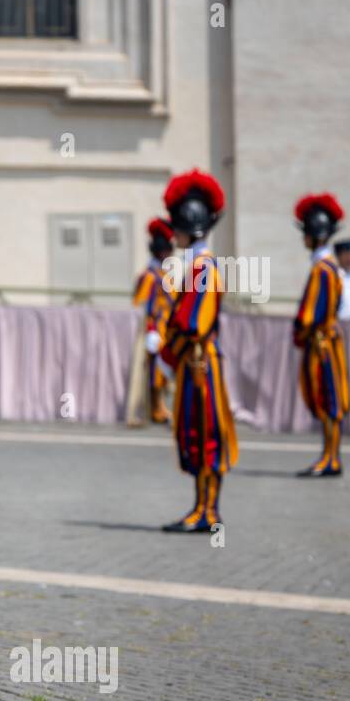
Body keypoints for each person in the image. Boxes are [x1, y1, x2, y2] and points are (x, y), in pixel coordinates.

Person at [157, 169, 239, 532]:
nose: (171, 233)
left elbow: (193, 324)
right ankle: (202, 507)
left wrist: (168, 342)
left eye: (176, 226)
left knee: (205, 435)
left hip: (201, 366)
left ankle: (208, 511)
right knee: (194, 434)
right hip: (195, 365)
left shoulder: (203, 269)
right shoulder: (197, 266)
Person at [293, 194, 350, 477]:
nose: (303, 239)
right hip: (326, 341)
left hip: (322, 344)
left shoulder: (322, 270)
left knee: (329, 401)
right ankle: (329, 455)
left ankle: (331, 458)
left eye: (306, 233)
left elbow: (311, 313)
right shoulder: (329, 267)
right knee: (328, 400)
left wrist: (300, 330)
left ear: (315, 236)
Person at [128, 217, 176, 426]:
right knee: (152, 371)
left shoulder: (164, 274)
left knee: (163, 372)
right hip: (154, 329)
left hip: (166, 328)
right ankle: (150, 409)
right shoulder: (150, 276)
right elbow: (142, 306)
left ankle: (161, 407)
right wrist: (150, 330)